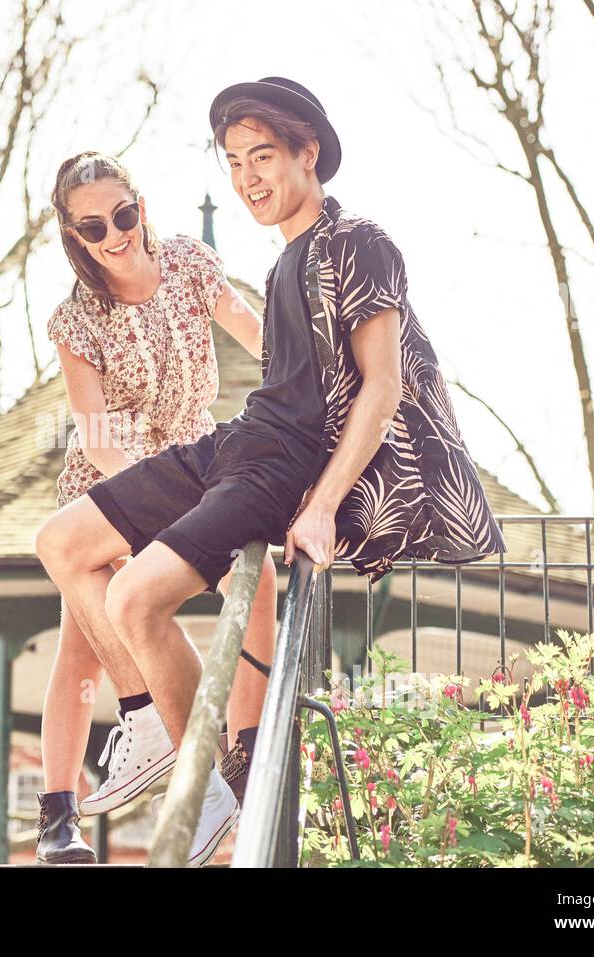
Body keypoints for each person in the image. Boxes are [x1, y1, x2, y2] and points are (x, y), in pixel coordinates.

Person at [35, 78, 505, 864]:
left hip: (274, 468)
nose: (248, 176)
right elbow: (257, 374)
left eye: (263, 156)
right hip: (232, 441)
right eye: (234, 162)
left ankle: (215, 780)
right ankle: (148, 724)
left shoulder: (359, 241)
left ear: (307, 152)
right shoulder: (288, 258)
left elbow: (381, 386)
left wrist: (322, 504)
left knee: (134, 595)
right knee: (60, 540)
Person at [37, 151, 277, 866]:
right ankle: (58, 813)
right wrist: (152, 501)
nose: (114, 233)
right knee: (84, 640)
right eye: (93, 226)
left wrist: (309, 374)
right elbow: (98, 435)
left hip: (196, 457)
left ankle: (241, 749)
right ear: (74, 235)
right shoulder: (75, 320)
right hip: (113, 476)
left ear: (141, 205)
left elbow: (259, 333)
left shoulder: (191, 265)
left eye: (123, 213)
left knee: (252, 580)